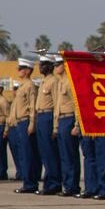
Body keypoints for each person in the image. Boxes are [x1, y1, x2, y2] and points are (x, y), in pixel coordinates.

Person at [52, 56, 82, 196]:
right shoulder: (60, 82)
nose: (55, 67)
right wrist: (56, 126)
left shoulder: (70, 81)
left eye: (57, 64)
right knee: (64, 156)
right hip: (62, 119)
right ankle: (67, 184)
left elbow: (77, 104)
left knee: (70, 155)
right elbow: (58, 105)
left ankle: (72, 186)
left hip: (70, 118)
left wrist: (76, 124)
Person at [34, 55, 63, 195]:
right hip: (41, 116)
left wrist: (55, 125)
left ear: (50, 66)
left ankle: (54, 183)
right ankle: (48, 182)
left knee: (51, 152)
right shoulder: (43, 81)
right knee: (44, 152)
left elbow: (57, 103)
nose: (40, 67)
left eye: (43, 64)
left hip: (48, 116)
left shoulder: (54, 81)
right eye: (40, 64)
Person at [11, 59, 40, 194]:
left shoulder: (30, 86)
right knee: (23, 154)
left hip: (26, 121)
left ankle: (30, 183)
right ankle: (27, 181)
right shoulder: (22, 86)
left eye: (22, 68)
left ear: (28, 70)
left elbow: (33, 106)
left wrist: (32, 124)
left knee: (28, 154)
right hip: (19, 122)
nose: (19, 71)